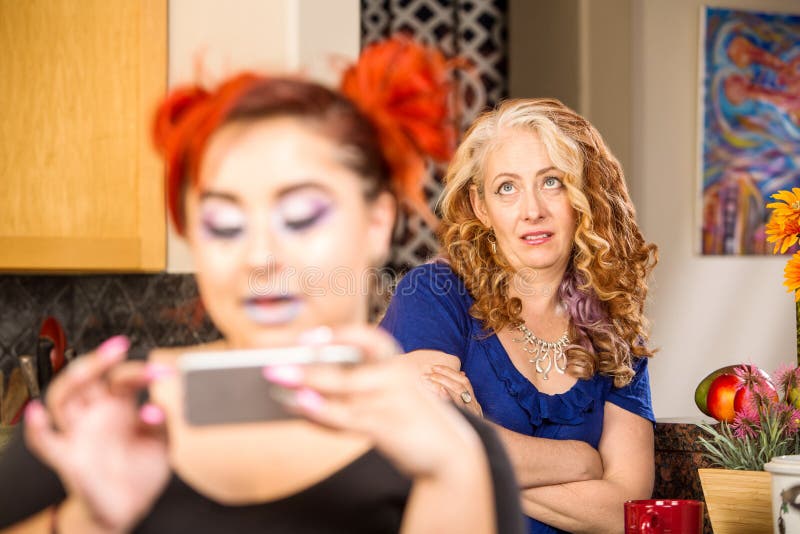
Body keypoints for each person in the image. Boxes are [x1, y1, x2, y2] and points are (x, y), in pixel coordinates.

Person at [0, 37, 524, 534]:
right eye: (223, 225)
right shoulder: (102, 416)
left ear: (376, 222)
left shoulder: (452, 450)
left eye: (300, 218)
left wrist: (448, 477)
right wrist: (85, 522)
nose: (260, 257)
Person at [380, 98, 659, 533]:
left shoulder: (613, 329)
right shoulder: (434, 295)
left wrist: (479, 454)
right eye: (506, 188)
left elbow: (625, 514)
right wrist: (581, 463)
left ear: (586, 196)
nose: (532, 210)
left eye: (552, 182)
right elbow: (426, 443)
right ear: (480, 207)